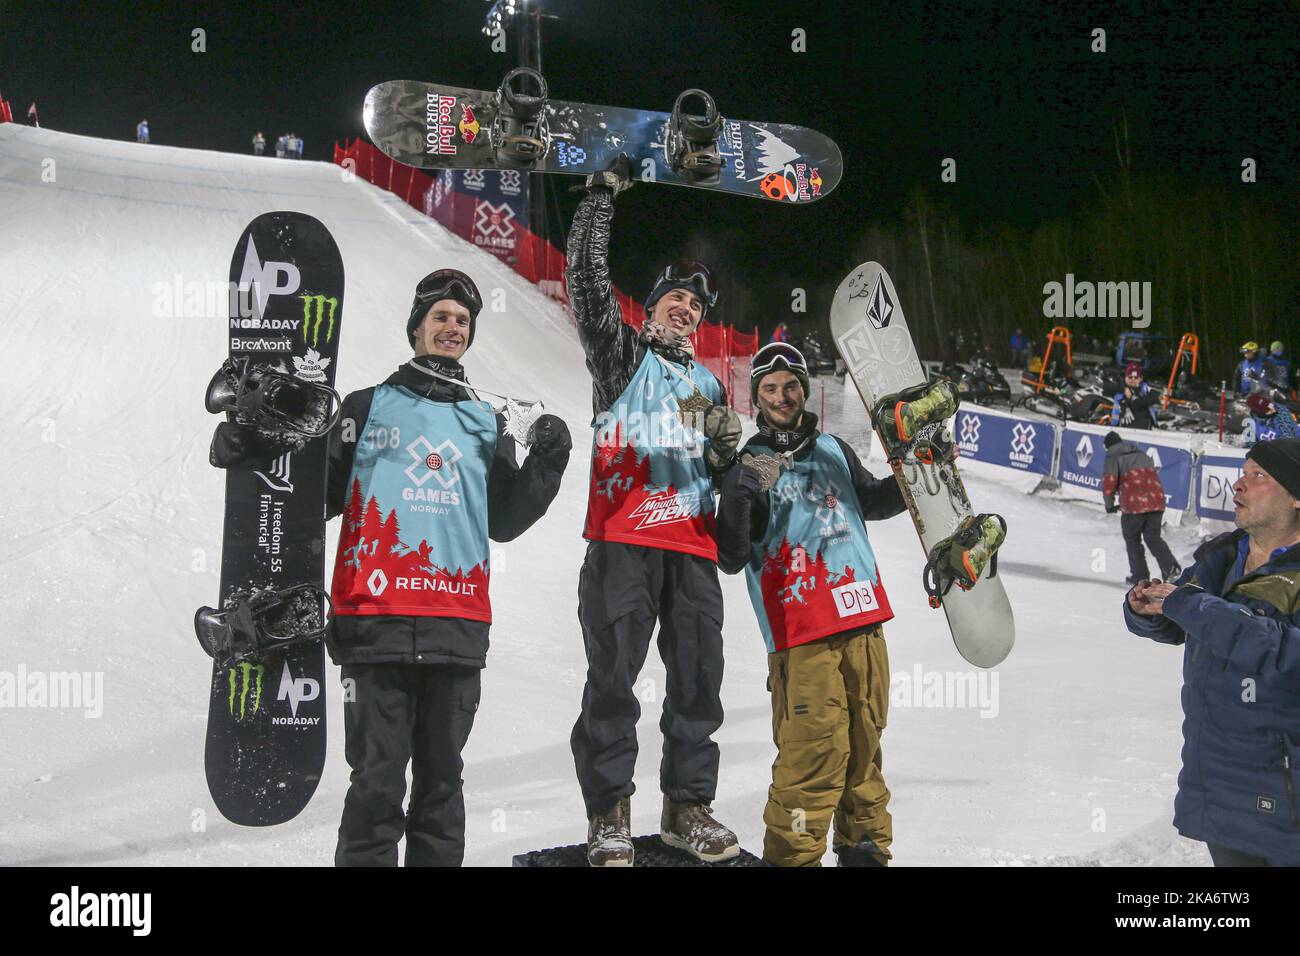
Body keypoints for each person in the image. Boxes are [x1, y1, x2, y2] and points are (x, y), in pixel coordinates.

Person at [322, 268, 572, 866]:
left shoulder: (489, 420)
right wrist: (261, 444)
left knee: (442, 784)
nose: (451, 327)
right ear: (416, 328)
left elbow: (503, 520)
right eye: (440, 316)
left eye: (462, 321)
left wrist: (549, 461)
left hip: (456, 624)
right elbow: (320, 493)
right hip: (374, 621)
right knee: (377, 782)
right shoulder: (365, 406)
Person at [565, 156, 744, 866]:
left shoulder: (704, 387)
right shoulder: (621, 359)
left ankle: (686, 808)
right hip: (623, 539)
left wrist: (741, 467)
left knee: (699, 682)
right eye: (676, 299)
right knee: (613, 681)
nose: (687, 311)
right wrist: (600, 199)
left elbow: (726, 466)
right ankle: (610, 813)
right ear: (653, 305)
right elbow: (584, 287)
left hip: (694, 548)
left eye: (697, 308)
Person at [715, 343, 906, 866]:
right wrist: (738, 494)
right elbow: (730, 556)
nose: (783, 396)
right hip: (801, 631)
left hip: (863, 617)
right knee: (814, 754)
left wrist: (914, 476)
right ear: (756, 398)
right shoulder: (749, 462)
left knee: (865, 746)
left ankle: (864, 849)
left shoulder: (835, 451)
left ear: (804, 389)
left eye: (791, 385)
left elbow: (872, 501)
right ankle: (793, 857)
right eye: (771, 389)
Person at [1123, 438, 1300, 867]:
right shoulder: (1221, 556)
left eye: (1259, 476)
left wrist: (1188, 605)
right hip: (1219, 788)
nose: (1239, 485)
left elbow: (1284, 655)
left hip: (1286, 801)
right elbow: (1188, 619)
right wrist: (1149, 610)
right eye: (1243, 472)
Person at [1102, 431, 1180, 585]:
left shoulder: (1113, 457)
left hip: (1134, 504)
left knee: (1133, 539)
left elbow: (1109, 483)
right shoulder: (1141, 454)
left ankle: (1140, 576)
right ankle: (1171, 569)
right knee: (1153, 537)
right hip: (1156, 501)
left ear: (1108, 446)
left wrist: (1109, 505)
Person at [1109, 362, 1159, 429]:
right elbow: (1115, 416)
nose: (1133, 379)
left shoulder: (1145, 389)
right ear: (1125, 378)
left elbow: (1155, 397)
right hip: (1124, 430)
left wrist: (1132, 399)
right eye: (1130, 377)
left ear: (1141, 378)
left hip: (1144, 430)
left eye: (1136, 377)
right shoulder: (1119, 391)